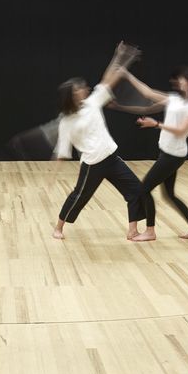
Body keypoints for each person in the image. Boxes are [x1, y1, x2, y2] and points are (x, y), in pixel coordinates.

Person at [52, 43, 150, 241]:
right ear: (72, 95)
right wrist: (53, 173)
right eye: (80, 89)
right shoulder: (67, 121)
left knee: (136, 190)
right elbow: (63, 150)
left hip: (112, 159)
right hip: (93, 164)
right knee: (79, 197)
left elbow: (107, 81)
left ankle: (132, 230)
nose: (85, 89)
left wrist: (119, 56)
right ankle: (58, 227)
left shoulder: (93, 102)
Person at [110, 66, 188, 242]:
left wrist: (156, 125)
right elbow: (148, 93)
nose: (180, 80)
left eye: (183, 78)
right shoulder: (175, 99)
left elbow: (181, 130)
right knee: (169, 195)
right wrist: (127, 74)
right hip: (167, 153)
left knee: (143, 189)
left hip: (173, 156)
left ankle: (150, 231)